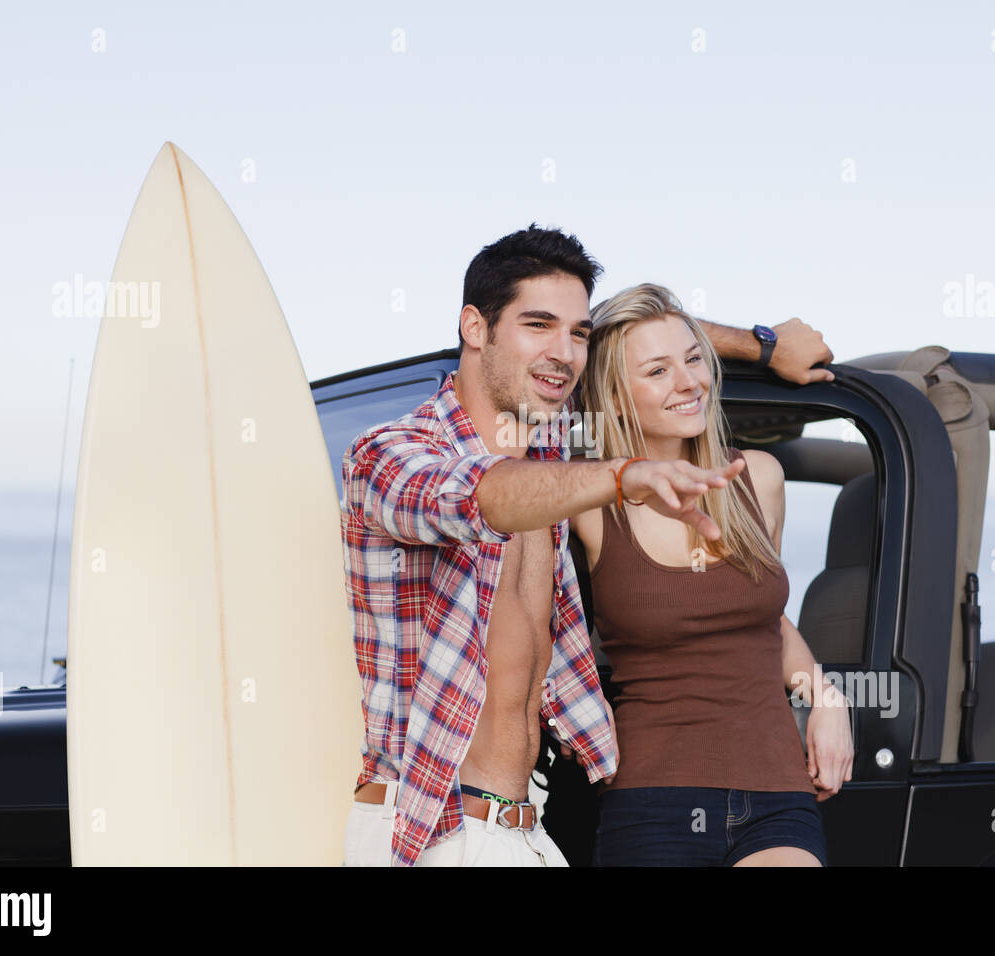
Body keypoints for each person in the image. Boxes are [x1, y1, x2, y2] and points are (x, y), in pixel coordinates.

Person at [339, 224, 835, 866]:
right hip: (429, 824)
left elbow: (641, 341)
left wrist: (763, 347)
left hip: (523, 827)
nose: (564, 351)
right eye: (537, 325)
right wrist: (624, 476)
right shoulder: (388, 454)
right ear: (474, 327)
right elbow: (475, 497)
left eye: (576, 334)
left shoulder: (551, 445)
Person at [568, 282, 854, 867]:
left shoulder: (761, 480)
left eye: (694, 359)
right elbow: (563, 352)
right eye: (657, 371)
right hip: (651, 798)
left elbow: (765, 621)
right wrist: (762, 346)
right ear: (615, 398)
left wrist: (825, 697)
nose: (689, 381)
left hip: (777, 790)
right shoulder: (586, 500)